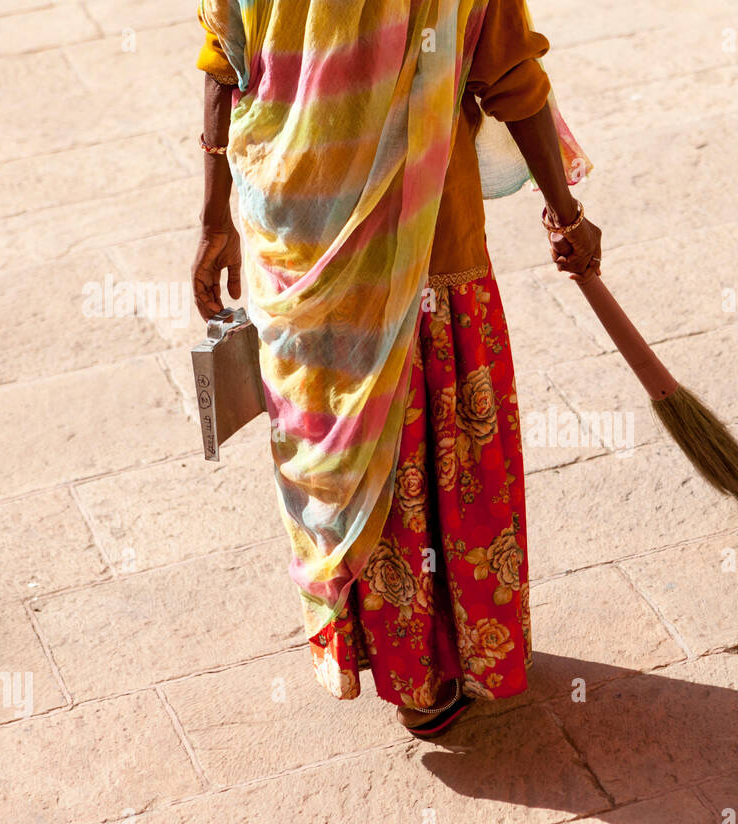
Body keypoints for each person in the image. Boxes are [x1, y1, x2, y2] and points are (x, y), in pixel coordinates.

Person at [190, 0, 601, 738]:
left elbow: (225, 65)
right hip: (427, 239)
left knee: (355, 447)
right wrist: (566, 215)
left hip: (297, 234)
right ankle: (448, 663)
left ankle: (401, 666)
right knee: (427, 450)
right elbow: (513, 79)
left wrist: (214, 221)